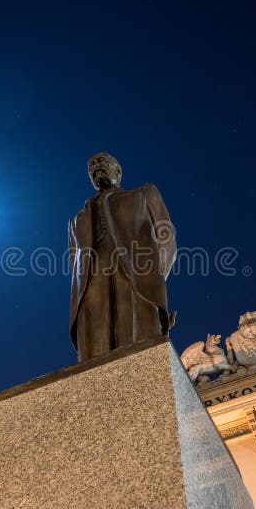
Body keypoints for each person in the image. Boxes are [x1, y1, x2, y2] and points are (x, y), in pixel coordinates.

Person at [68, 152, 176, 362]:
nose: (96, 166)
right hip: (93, 280)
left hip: (136, 275)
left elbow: (167, 241)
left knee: (137, 341)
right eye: (91, 165)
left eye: (102, 162)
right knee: (95, 351)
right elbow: (75, 261)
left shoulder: (144, 194)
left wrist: (151, 278)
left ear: (118, 171)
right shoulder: (76, 220)